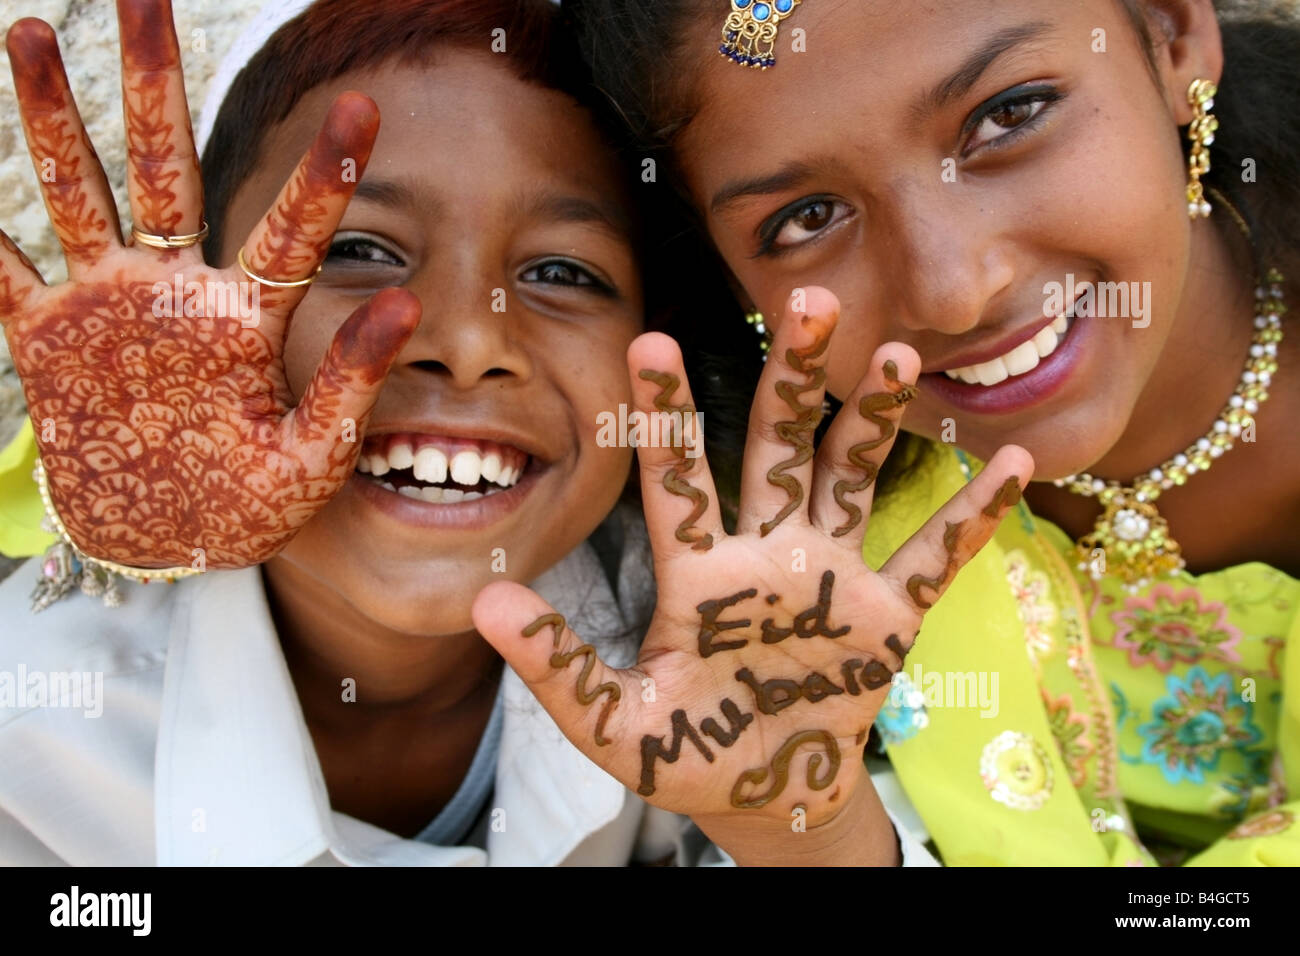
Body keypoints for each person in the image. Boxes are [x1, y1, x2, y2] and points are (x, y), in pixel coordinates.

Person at [0, 0, 1030, 865]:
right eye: (354, 246)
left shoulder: (713, 633)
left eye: (561, 272)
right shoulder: (35, 727)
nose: (463, 339)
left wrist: (798, 822)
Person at [573, 0, 1300, 864]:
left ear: (1173, 36)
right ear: (738, 289)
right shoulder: (790, 561)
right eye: (806, 218)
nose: (952, 291)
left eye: (1008, 114)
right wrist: (808, 834)